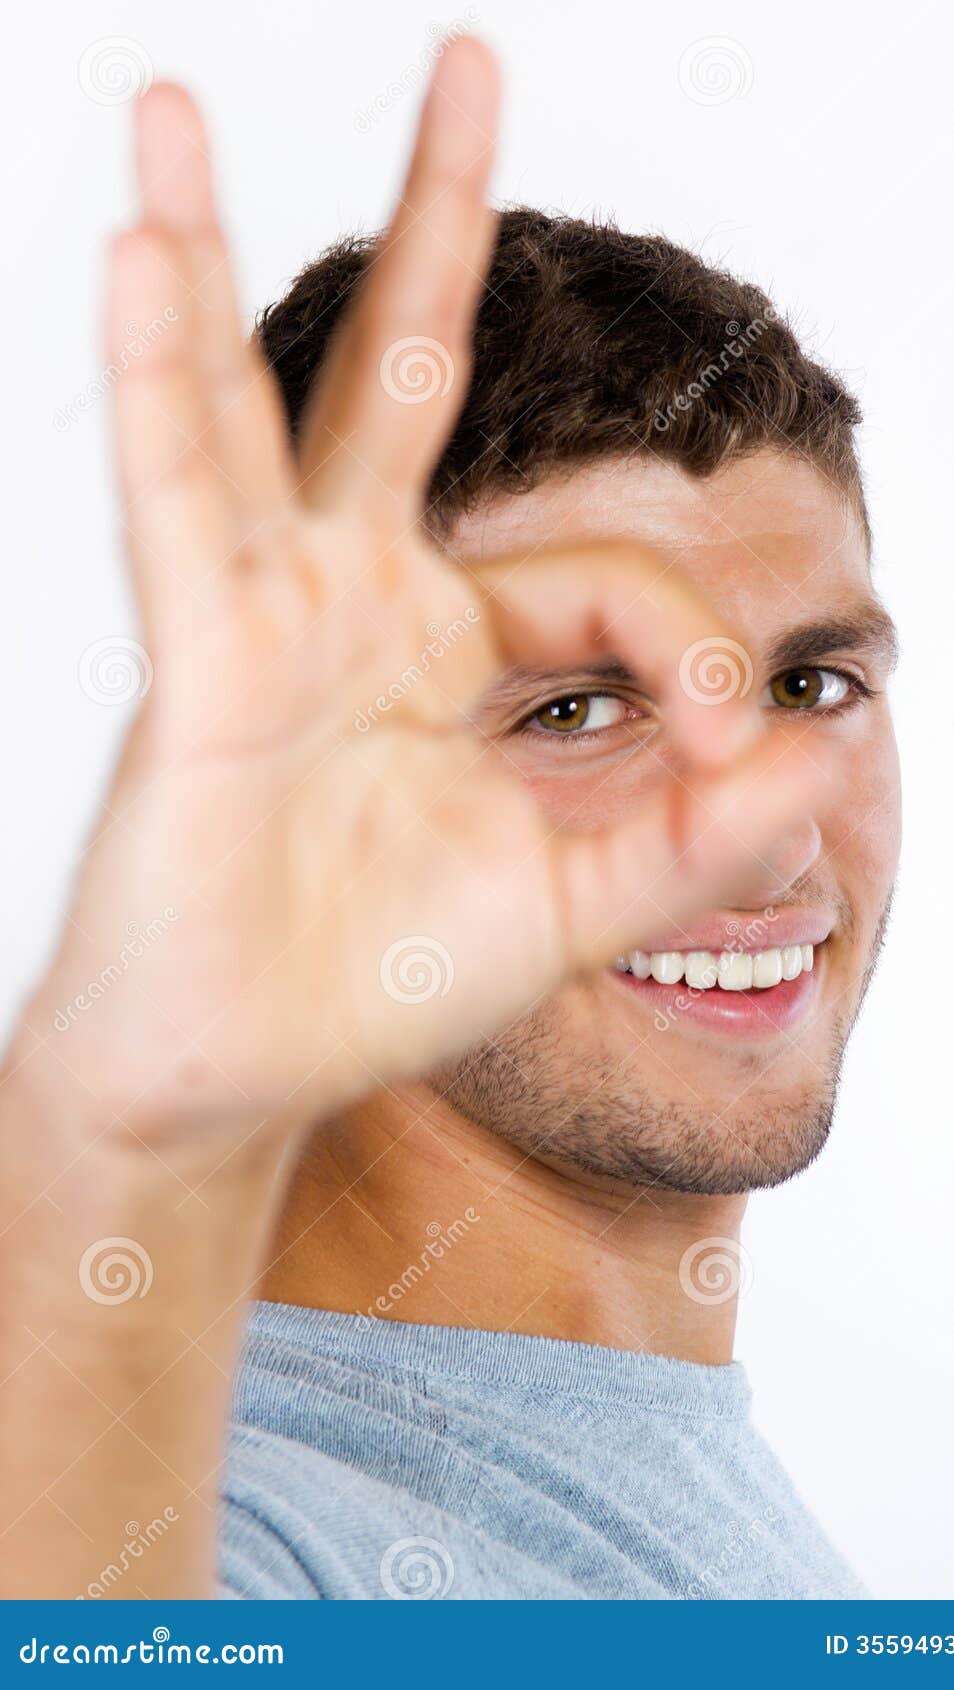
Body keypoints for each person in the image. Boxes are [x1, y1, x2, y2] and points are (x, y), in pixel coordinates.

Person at [0, 36, 899, 1600]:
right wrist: (119, 1164)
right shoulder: (257, 1538)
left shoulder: (662, 1475)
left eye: (810, 685)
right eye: (573, 709)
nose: (765, 841)